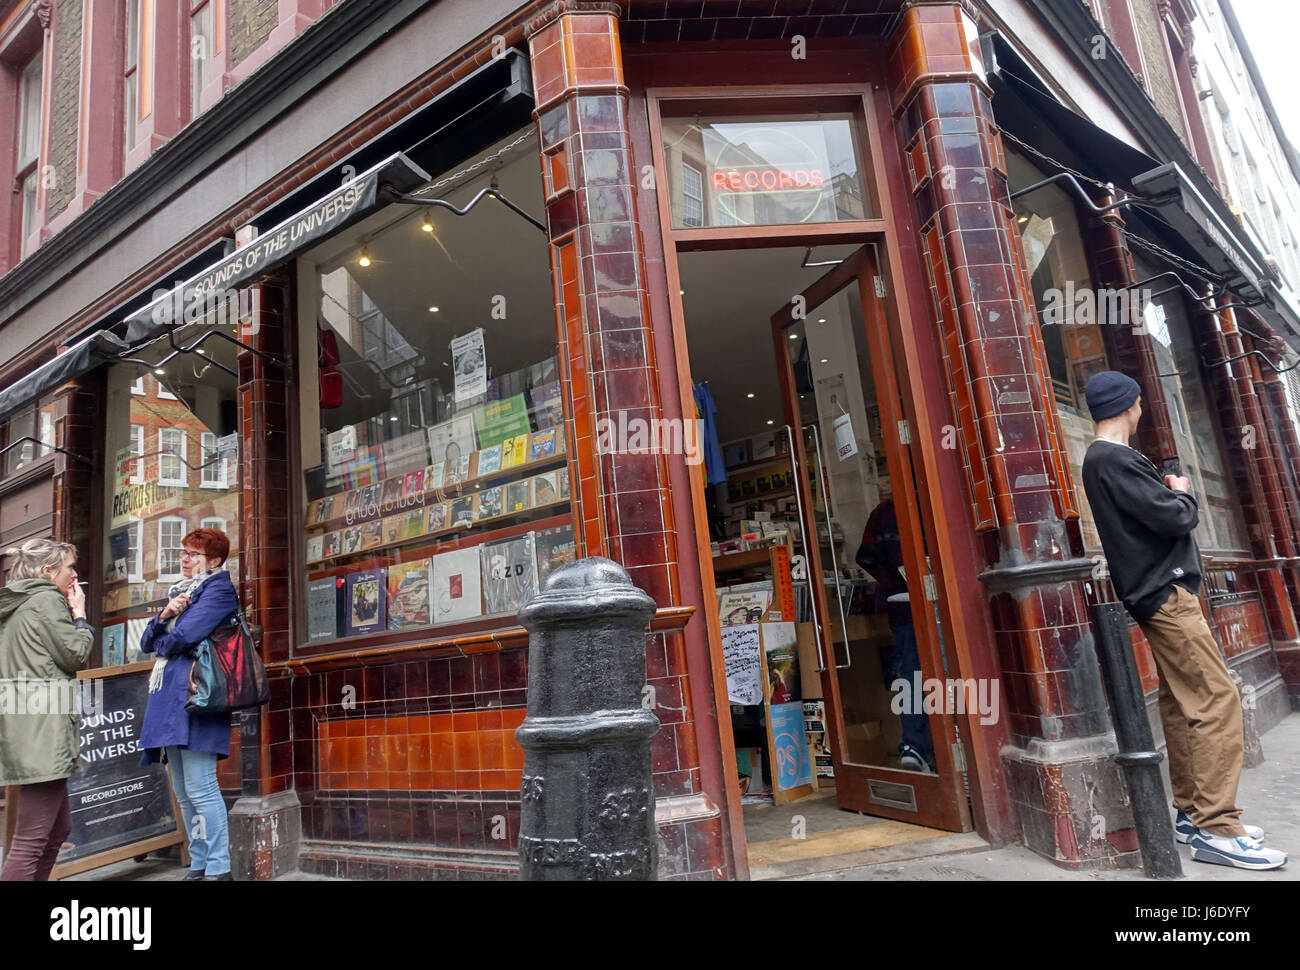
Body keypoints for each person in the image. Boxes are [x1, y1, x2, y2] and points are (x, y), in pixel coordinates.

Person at [1081, 371, 1286, 870]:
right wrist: (1184, 492)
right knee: (1218, 699)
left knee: (1182, 703)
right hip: (1167, 596)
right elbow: (1174, 518)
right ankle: (1219, 826)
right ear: (1131, 406)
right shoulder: (1113, 459)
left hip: (1155, 593)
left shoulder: (1103, 461)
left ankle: (1193, 815)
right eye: (1139, 401)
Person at [137, 528, 239, 881]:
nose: (184, 559)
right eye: (183, 552)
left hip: (200, 696)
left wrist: (167, 635)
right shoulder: (180, 593)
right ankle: (199, 863)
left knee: (200, 785)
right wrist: (165, 615)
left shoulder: (219, 589)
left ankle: (219, 867)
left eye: (193, 554)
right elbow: (147, 640)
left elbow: (184, 637)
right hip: (171, 696)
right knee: (182, 789)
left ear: (214, 561)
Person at [0, 539, 94, 881]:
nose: (75, 575)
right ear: (47, 571)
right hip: (42, 730)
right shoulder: (45, 600)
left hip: (27, 727)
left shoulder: (17, 604)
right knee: (30, 841)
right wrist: (80, 618)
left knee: (57, 829)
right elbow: (74, 654)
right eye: (69, 567)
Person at [856, 490, 934, 773]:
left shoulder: (882, 515)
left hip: (902, 607)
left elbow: (865, 557)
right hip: (937, 603)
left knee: (912, 672)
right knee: (947, 670)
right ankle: (947, 744)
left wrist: (893, 583)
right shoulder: (933, 503)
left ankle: (915, 746)